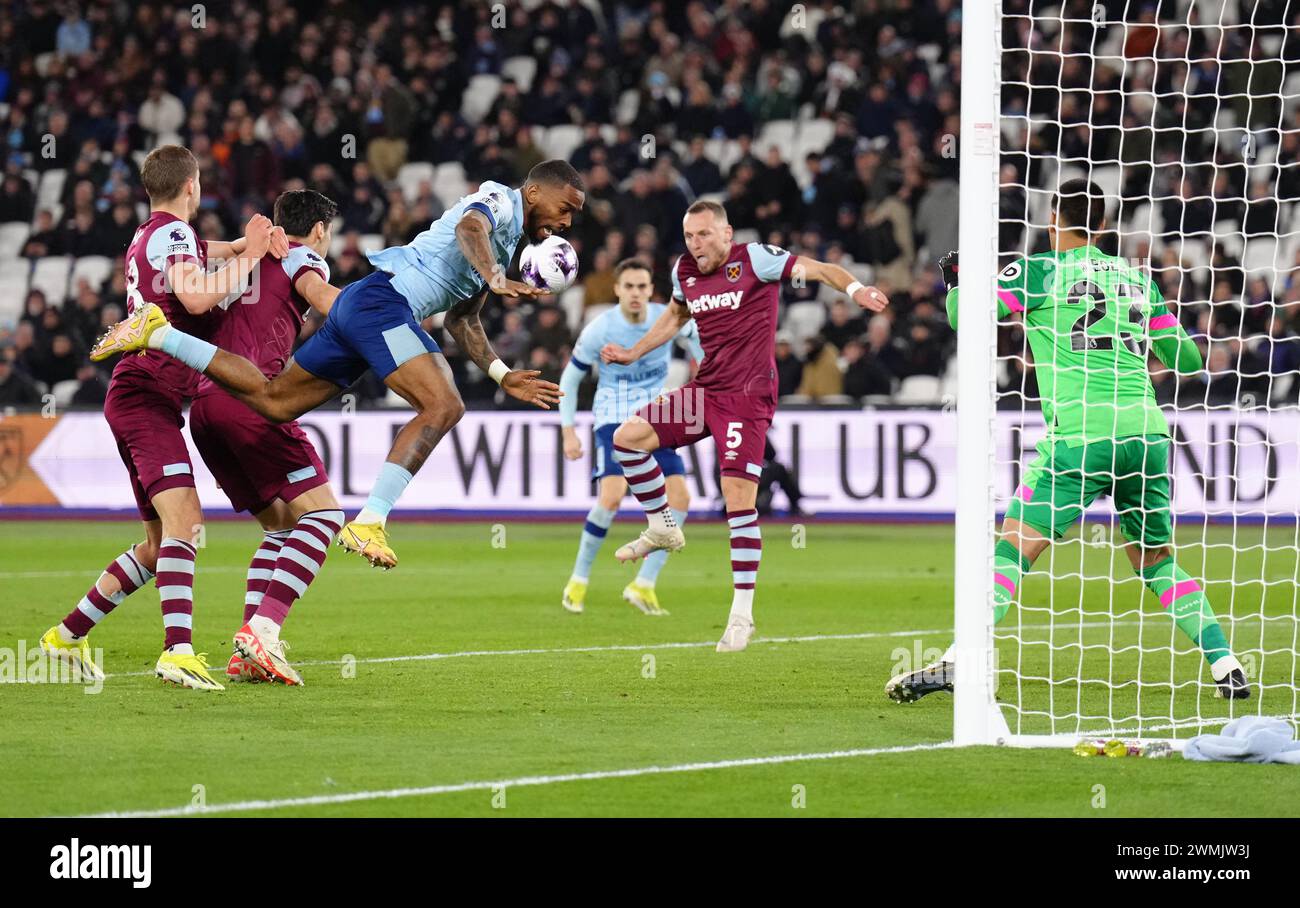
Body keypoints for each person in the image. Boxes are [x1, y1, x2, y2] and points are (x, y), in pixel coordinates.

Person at [92, 160, 585, 571]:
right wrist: (496, 275)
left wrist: (501, 374)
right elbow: (467, 225)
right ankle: (371, 520)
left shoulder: (502, 244)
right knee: (444, 405)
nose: (566, 222)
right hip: (381, 302)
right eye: (565, 208)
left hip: (366, 309)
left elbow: (463, 320)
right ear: (535, 190)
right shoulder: (498, 202)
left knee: (273, 402)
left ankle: (159, 334)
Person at [887, 178, 1249, 702]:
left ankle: (957, 660)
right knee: (1156, 561)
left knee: (1012, 546)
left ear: (1053, 218)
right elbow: (1188, 361)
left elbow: (967, 319)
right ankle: (1227, 665)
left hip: (1081, 436)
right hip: (1146, 435)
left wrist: (960, 283)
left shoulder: (1037, 270)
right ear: (1101, 225)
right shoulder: (1133, 277)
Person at [42, 144, 286, 691]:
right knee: (188, 526)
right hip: (148, 393)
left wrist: (244, 243)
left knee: (158, 548)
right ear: (193, 187)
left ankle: (65, 637)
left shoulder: (150, 234)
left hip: (136, 394)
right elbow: (196, 298)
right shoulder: (175, 237)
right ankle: (177, 652)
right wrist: (249, 257)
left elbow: (206, 249)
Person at [600, 200, 888, 652]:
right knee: (627, 439)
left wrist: (856, 291)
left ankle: (741, 615)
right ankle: (663, 526)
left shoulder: (755, 259)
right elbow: (676, 316)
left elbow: (822, 269)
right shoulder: (684, 272)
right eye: (690, 236)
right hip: (706, 391)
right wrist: (635, 352)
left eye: (704, 235)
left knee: (739, 502)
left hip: (747, 398)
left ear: (727, 233)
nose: (696, 244)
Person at [187, 190, 344, 686]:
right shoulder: (301, 255)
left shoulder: (249, 255)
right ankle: (263, 630)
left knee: (279, 528)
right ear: (319, 229)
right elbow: (331, 305)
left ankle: (247, 651)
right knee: (325, 516)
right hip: (251, 398)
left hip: (206, 406)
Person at [559, 258, 703, 616]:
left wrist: (713, 381)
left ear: (651, 290)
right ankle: (578, 580)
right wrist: (568, 431)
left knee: (680, 498)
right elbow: (571, 379)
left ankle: (644, 583)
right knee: (611, 497)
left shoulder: (666, 317)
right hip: (612, 418)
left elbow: (701, 347)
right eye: (629, 287)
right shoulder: (600, 329)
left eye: (642, 286)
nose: (636, 293)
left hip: (655, 420)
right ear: (617, 290)